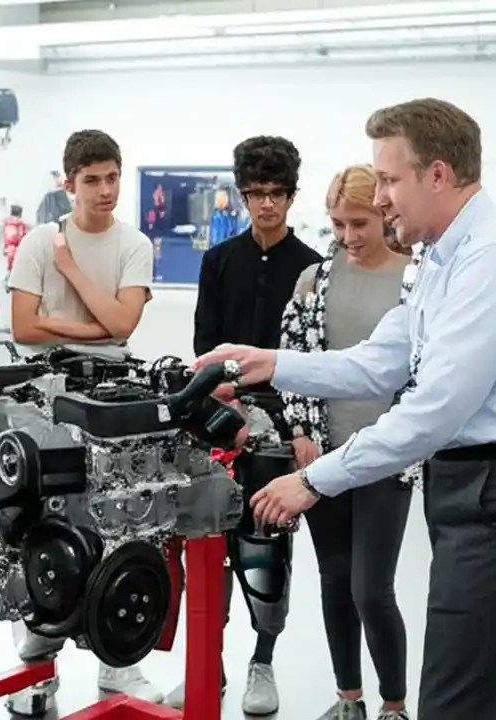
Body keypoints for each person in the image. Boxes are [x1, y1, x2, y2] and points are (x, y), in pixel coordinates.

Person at [197, 97, 496, 720]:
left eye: (388, 179)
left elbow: (436, 409)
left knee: (465, 698)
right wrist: (267, 362)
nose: (379, 199)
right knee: (487, 693)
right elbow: (377, 361)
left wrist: (312, 480)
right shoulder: (443, 259)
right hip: (478, 487)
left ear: (437, 174)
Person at [3, 128, 163, 715]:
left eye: (112, 177)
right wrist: (97, 328)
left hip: (113, 398)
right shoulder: (41, 242)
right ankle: (37, 659)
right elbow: (23, 327)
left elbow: (125, 329)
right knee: (41, 525)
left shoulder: (133, 242)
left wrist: (70, 277)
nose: (103, 189)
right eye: (91, 179)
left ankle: (118, 663)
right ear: (69, 183)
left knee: (124, 521)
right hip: (44, 395)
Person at [180, 134, 322, 716]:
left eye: (277, 193)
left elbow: (314, 354)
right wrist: (223, 409)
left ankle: (261, 663)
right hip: (220, 422)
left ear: (292, 195)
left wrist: (295, 428)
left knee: (267, 553)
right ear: (241, 195)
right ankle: (206, 670)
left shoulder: (311, 266)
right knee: (207, 548)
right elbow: (203, 346)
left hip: (282, 429)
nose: (267, 204)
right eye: (256, 193)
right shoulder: (218, 262)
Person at [278, 165, 421, 720]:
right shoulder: (315, 280)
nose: (347, 236)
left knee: (371, 588)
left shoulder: (417, 281)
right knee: (336, 581)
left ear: (385, 213)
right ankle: (348, 700)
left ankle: (393, 705)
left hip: (389, 459)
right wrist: (301, 432)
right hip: (323, 457)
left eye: (358, 222)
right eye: (337, 224)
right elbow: (294, 359)